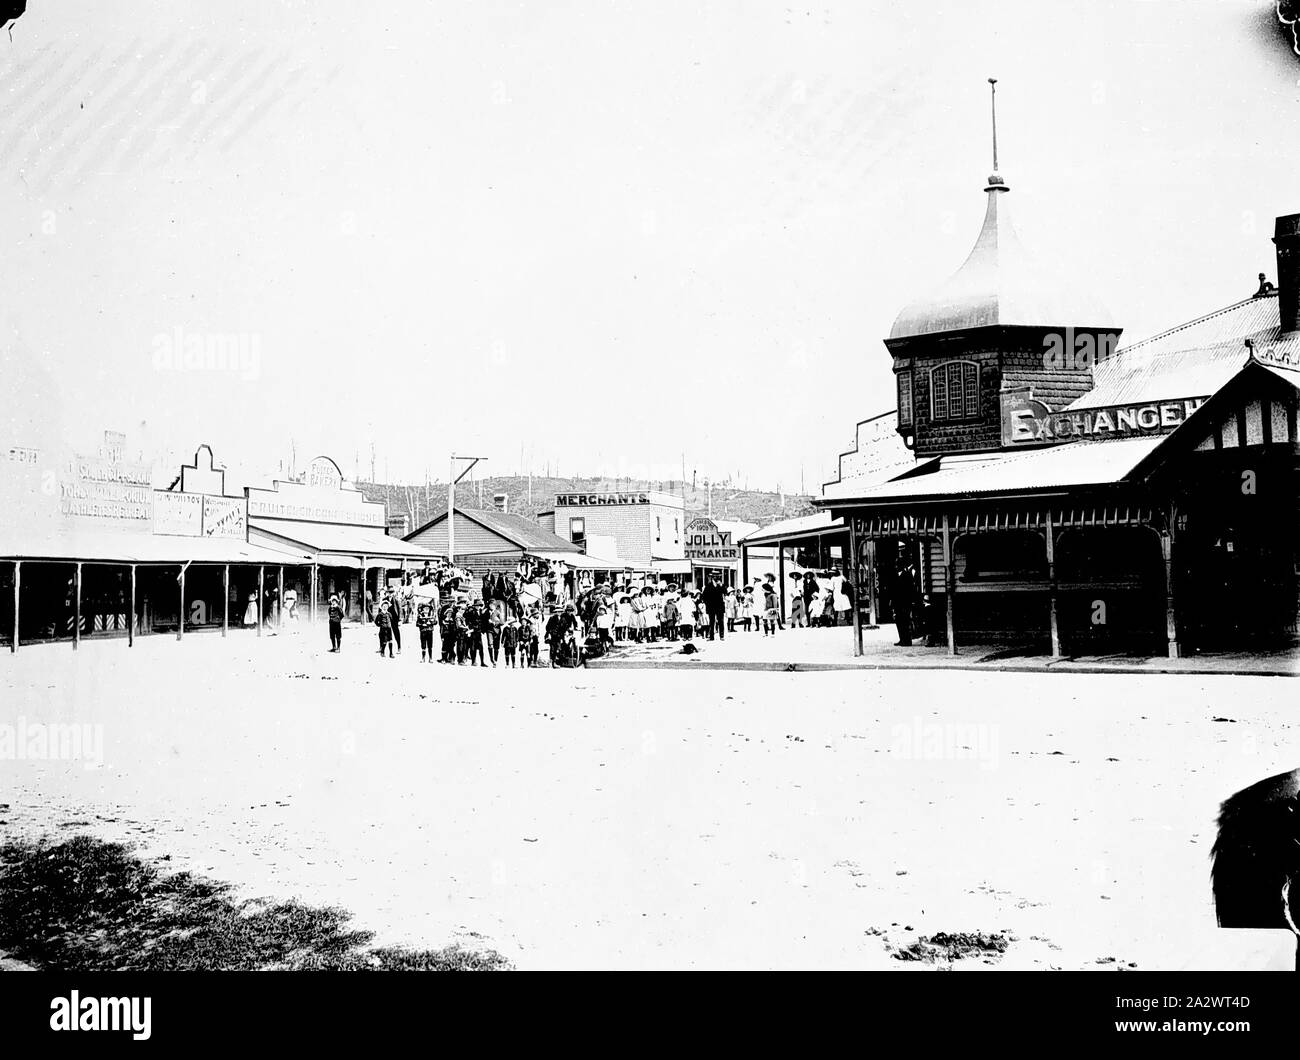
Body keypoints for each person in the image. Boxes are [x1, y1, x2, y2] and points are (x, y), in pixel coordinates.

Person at [893, 557, 918, 647]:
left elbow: (911, 589)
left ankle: (907, 640)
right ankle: (902, 638)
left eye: (898, 564)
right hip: (897, 602)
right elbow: (893, 590)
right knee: (898, 620)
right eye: (896, 564)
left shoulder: (907, 575)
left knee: (905, 621)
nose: (896, 566)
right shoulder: (895, 575)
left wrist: (911, 601)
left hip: (905, 602)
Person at [701, 575, 726, 641]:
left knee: (721, 621)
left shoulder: (721, 585)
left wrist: (721, 585)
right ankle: (711, 636)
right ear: (712, 578)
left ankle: (722, 636)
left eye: (717, 576)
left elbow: (725, 592)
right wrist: (708, 603)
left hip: (719, 606)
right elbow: (704, 596)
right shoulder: (708, 586)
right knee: (711, 622)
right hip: (711, 606)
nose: (716, 578)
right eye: (715, 576)